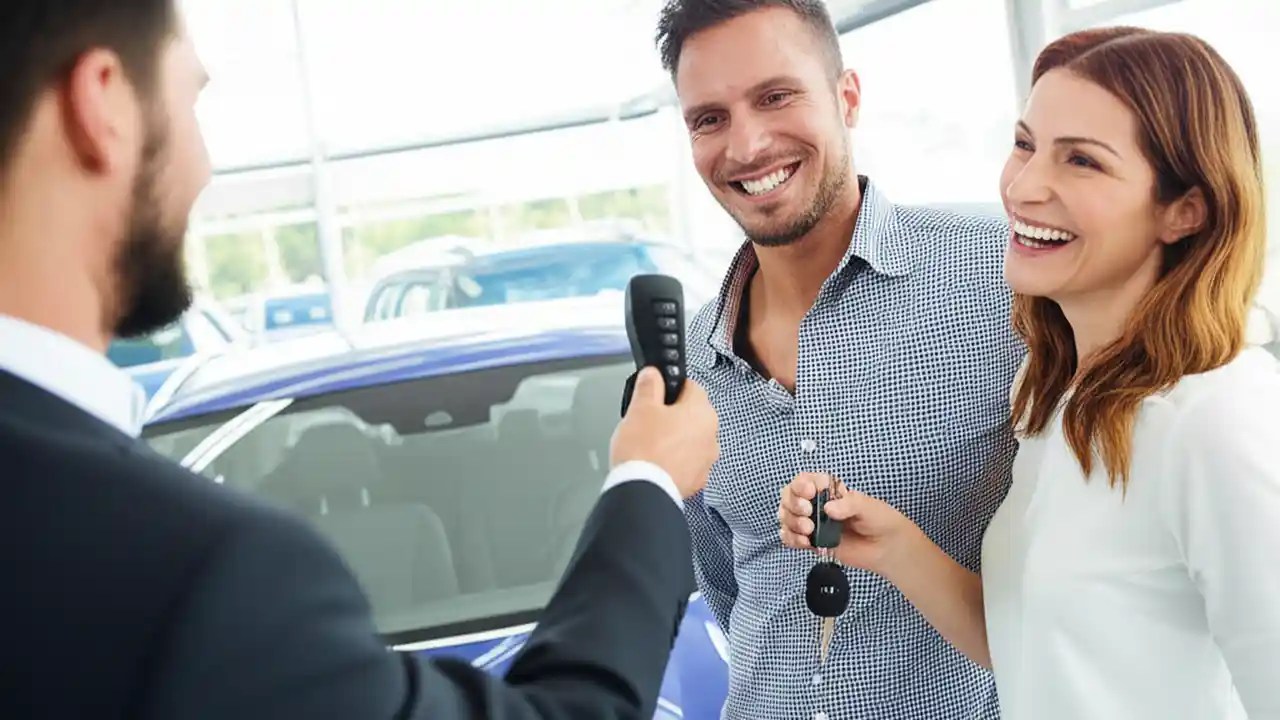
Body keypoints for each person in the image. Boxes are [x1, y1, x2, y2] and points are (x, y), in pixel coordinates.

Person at [0, 1, 720, 718]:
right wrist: (649, 479)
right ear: (104, 105)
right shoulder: (195, 575)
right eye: (191, 98)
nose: (204, 166)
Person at [780, 26, 1280, 720]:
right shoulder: (1051, 397)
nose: (1025, 185)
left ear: (1184, 210)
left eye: (1082, 161)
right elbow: (1032, 650)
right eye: (1025, 144)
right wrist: (896, 546)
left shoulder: (1218, 417)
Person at [654, 0, 1024, 716]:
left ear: (846, 97)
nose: (746, 145)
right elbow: (728, 588)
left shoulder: (1000, 282)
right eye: (709, 118)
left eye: (775, 96)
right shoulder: (693, 368)